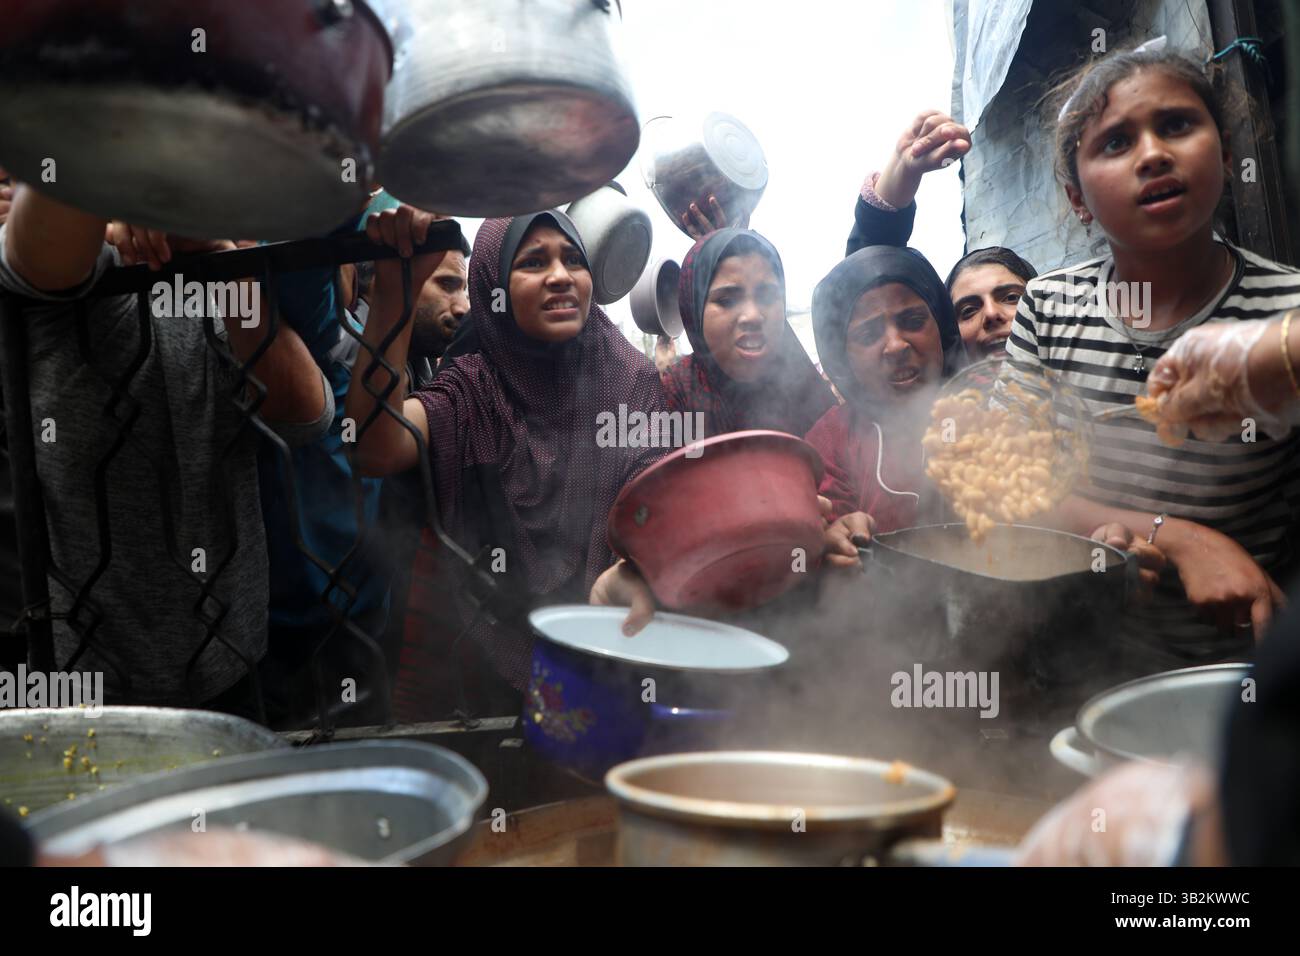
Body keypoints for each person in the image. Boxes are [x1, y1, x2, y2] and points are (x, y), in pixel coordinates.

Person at [1002, 44, 1300, 671]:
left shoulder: (1288, 318)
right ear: (1078, 198)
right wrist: (1178, 537)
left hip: (1242, 672)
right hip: (1083, 665)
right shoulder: (1051, 308)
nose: (1154, 154)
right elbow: (1014, 488)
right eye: (1114, 143)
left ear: (1223, 152)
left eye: (1177, 125)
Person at [0, 183, 333, 709]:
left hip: (230, 652)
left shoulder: (216, 273)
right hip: (87, 670)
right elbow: (49, 230)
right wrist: (116, 206)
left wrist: (222, 263)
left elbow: (304, 415)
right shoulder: (76, 259)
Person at [343, 206, 667, 703]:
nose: (560, 277)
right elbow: (375, 448)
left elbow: (657, 496)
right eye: (533, 262)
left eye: (573, 260)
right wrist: (395, 297)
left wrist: (635, 567)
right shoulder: (470, 387)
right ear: (493, 284)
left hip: (615, 654)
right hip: (479, 671)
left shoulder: (631, 382)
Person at [804, 246, 967, 551]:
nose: (895, 346)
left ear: (942, 326)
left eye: (913, 320)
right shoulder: (831, 440)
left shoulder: (987, 404)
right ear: (842, 360)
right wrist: (836, 536)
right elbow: (824, 533)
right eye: (868, 335)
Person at [844, 111, 1038, 358]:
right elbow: (868, 277)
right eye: (968, 311)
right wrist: (903, 170)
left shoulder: (1095, 376)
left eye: (1011, 297)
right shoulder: (944, 395)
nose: (991, 314)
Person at [659, 228, 837, 438]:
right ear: (693, 312)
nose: (752, 316)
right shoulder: (670, 397)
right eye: (727, 301)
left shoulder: (805, 392)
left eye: (768, 297)